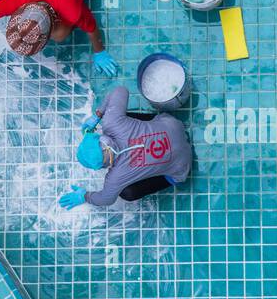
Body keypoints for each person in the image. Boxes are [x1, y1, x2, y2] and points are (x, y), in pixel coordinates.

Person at [60, 85, 192, 209]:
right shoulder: (111, 123)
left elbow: (106, 199)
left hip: (183, 166)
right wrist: (98, 115)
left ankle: (168, 175)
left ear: (100, 167)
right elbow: (121, 90)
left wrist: (84, 196)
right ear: (98, 137)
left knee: (126, 193)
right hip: (174, 125)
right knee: (118, 114)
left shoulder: (115, 177)